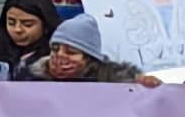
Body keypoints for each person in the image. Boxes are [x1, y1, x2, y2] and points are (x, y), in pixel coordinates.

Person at [18, 16, 159, 84]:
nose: (60, 55)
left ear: (90, 58)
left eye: (71, 52)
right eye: (55, 49)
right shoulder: (31, 79)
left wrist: (144, 86)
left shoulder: (117, 82)